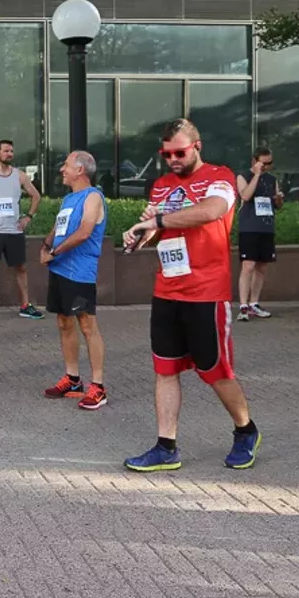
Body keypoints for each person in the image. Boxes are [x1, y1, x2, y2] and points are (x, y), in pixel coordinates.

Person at [121, 118, 260, 473]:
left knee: (215, 371)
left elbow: (212, 211)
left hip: (205, 293)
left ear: (196, 146)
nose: (172, 160)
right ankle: (166, 446)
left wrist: (159, 221)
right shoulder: (162, 186)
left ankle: (246, 430)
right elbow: (159, 230)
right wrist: (140, 235)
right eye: (166, 154)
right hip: (167, 290)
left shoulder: (220, 177)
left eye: (179, 152)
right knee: (165, 369)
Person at [41, 151, 109, 410]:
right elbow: (61, 227)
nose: (62, 170)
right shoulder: (69, 198)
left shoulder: (93, 197)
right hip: (59, 270)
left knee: (87, 324)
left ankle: (98, 386)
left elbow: (84, 232)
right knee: (63, 322)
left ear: (80, 170)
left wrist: (54, 252)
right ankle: (72, 379)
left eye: (67, 165)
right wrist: (47, 244)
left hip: (80, 273)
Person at [0, 140, 44, 319]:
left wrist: (28, 216)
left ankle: (25, 305)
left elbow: (36, 196)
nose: (10, 154)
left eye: (12, 151)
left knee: (21, 268)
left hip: (14, 232)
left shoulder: (19, 175)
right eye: (6, 151)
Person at [236, 147, 283, 320]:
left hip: (266, 226)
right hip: (249, 226)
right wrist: (256, 175)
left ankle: (254, 302)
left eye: (270, 163)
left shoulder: (272, 179)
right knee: (248, 265)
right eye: (264, 164)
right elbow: (246, 196)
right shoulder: (243, 176)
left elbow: (278, 205)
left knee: (262, 266)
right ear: (254, 161)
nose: (267, 167)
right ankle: (243, 305)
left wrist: (278, 199)